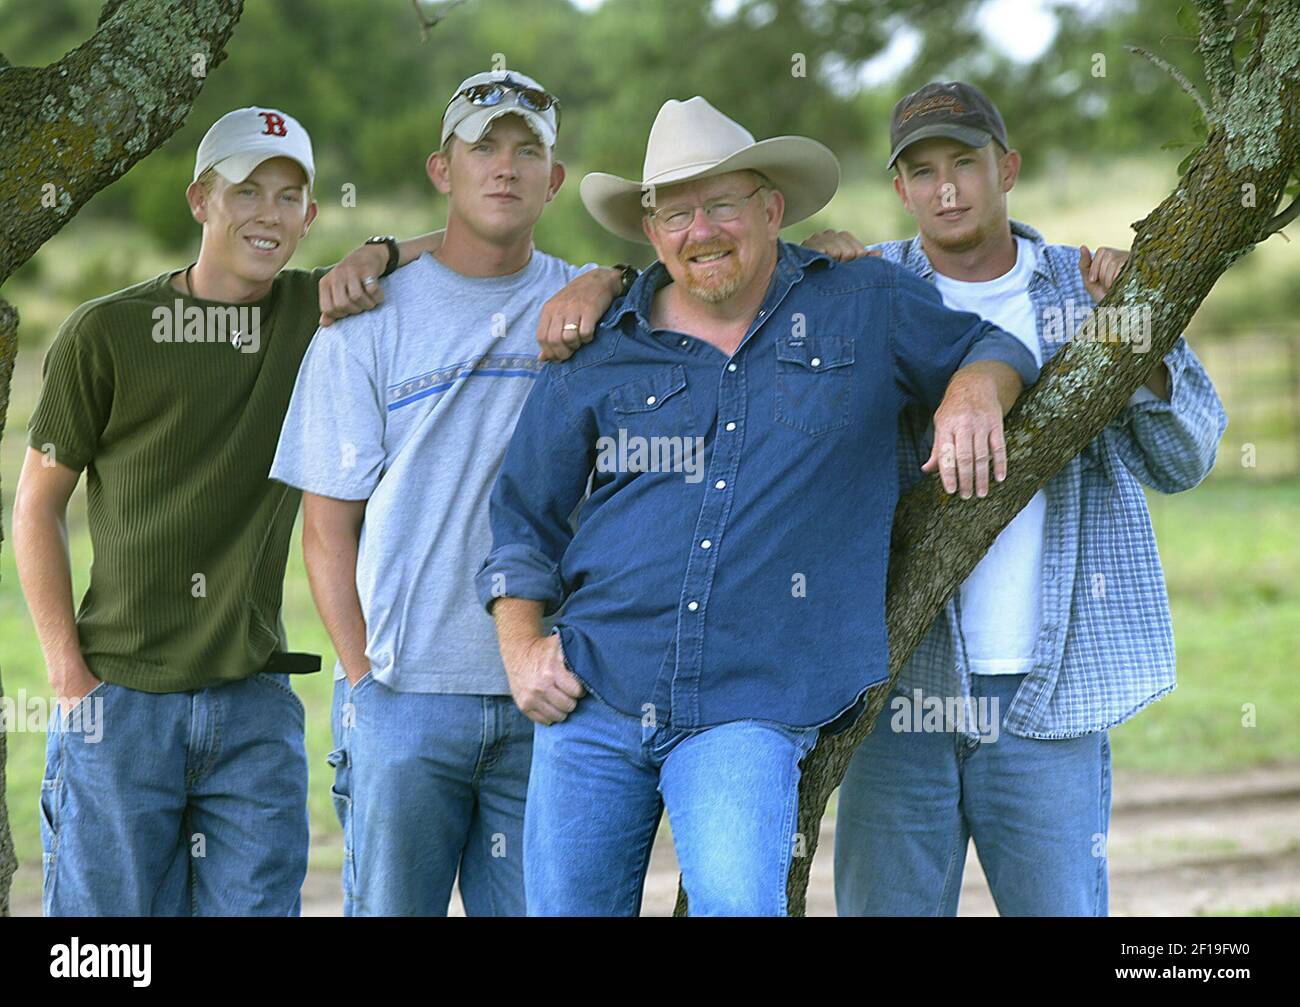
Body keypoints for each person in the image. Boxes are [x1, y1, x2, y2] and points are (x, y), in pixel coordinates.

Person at [476, 96, 1040, 916]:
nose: (701, 229)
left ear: (771, 208)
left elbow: (994, 345)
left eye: (723, 204)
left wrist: (970, 395)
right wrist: (523, 646)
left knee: (741, 907)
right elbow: (522, 514)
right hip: (595, 688)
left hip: (753, 702)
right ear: (651, 230)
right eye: (677, 212)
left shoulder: (862, 303)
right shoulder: (599, 342)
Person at [14, 105, 453, 916]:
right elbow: (35, 508)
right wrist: (69, 678)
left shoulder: (309, 320)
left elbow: (465, 251)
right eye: (246, 191)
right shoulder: (103, 332)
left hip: (253, 709)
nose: (268, 213)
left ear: (310, 216)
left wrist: (379, 249)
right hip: (120, 699)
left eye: (289, 197)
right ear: (200, 201)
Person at [820, 81, 1227, 917]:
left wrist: (1138, 339)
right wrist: (814, 269)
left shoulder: (1089, 290)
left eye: (965, 163)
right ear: (899, 188)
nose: (946, 189)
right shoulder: (866, 291)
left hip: (1049, 695)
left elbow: (1185, 459)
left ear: (1007, 167)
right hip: (898, 691)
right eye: (922, 170)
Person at [268, 70, 633, 917]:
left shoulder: (594, 310)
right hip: (406, 694)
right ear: (444, 170)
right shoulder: (366, 317)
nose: (504, 168)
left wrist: (612, 273)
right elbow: (326, 530)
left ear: (555, 178)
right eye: (483, 148)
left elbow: (694, 289)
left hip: (552, 692)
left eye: (526, 151)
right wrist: (364, 680)